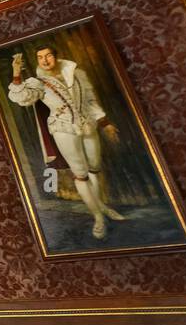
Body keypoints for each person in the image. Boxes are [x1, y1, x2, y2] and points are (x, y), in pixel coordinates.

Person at [7, 43, 126, 240]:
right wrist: (16, 73)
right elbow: (21, 97)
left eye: (48, 56)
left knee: (95, 167)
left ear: (56, 56)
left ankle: (101, 206)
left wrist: (105, 123)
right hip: (63, 129)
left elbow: (90, 100)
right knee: (81, 173)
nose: (45, 61)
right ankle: (98, 217)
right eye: (40, 57)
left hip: (88, 124)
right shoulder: (38, 83)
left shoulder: (78, 74)